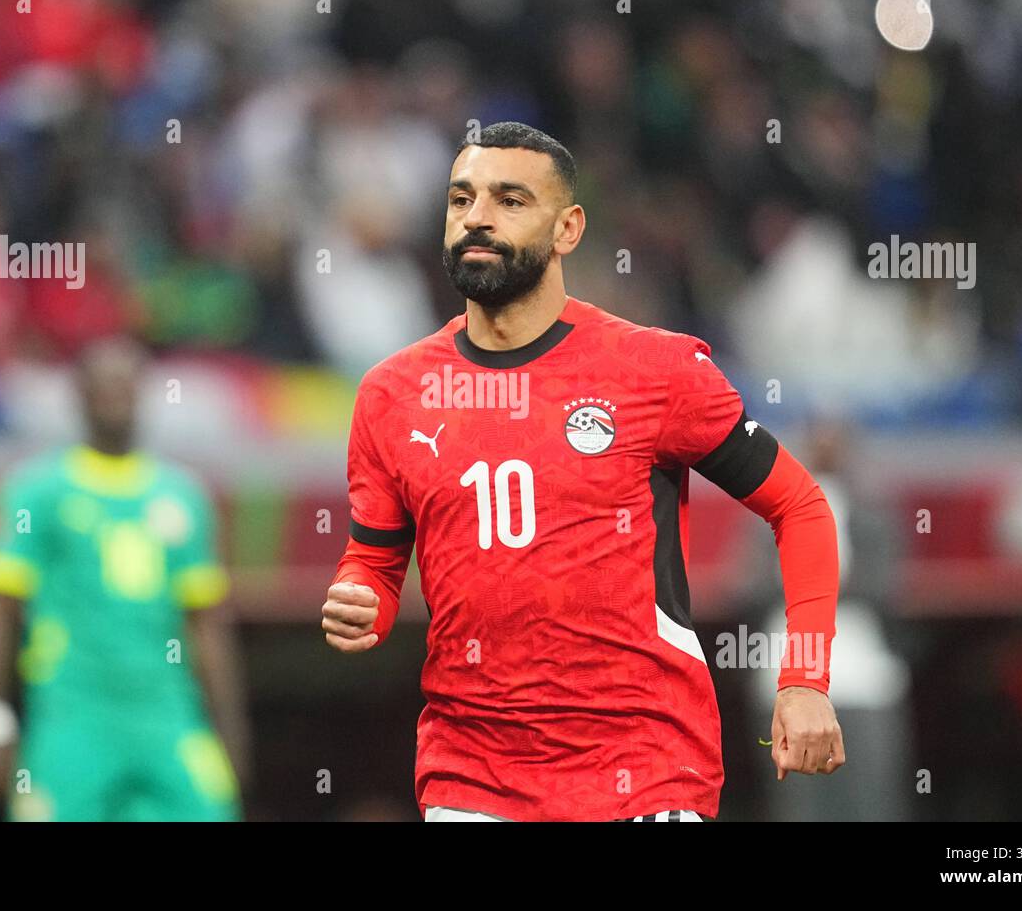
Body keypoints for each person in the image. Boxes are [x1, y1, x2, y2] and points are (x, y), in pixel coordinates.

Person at [322, 122, 843, 822]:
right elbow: (375, 564)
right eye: (461, 199)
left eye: (509, 200)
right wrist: (360, 599)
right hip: (473, 776)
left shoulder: (655, 371)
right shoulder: (392, 394)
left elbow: (800, 505)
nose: (476, 217)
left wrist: (805, 678)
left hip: (645, 767)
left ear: (568, 228)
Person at [0, 336, 249, 820]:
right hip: (73, 712)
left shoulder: (182, 497)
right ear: (79, 394)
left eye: (126, 384)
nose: (116, 395)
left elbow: (206, 625)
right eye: (103, 385)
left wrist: (231, 732)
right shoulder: (36, 491)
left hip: (167, 713)